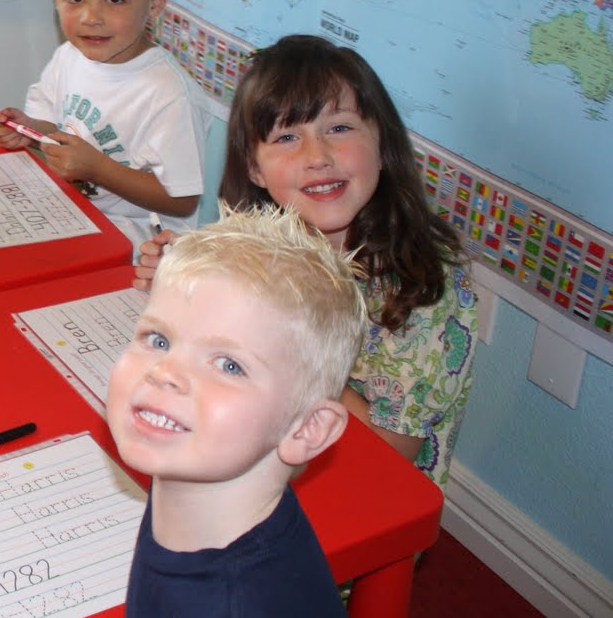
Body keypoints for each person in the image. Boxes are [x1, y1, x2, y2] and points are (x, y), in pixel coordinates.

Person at [133, 33, 475, 487]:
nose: (317, 157)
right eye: (288, 136)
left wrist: (281, 343)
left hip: (366, 489)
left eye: (339, 128)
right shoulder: (265, 238)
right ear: (255, 170)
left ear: (382, 142)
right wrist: (186, 280)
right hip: (268, 452)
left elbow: (390, 452)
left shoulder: (426, 286)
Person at [108, 204, 368, 618]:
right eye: (159, 339)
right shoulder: (193, 492)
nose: (165, 372)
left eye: (229, 365)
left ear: (307, 428)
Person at [0, 0, 207, 246]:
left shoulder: (169, 93)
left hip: (140, 244)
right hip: (73, 213)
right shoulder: (69, 56)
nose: (91, 18)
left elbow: (182, 200)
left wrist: (98, 169)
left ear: (155, 2)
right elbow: (53, 126)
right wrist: (29, 130)